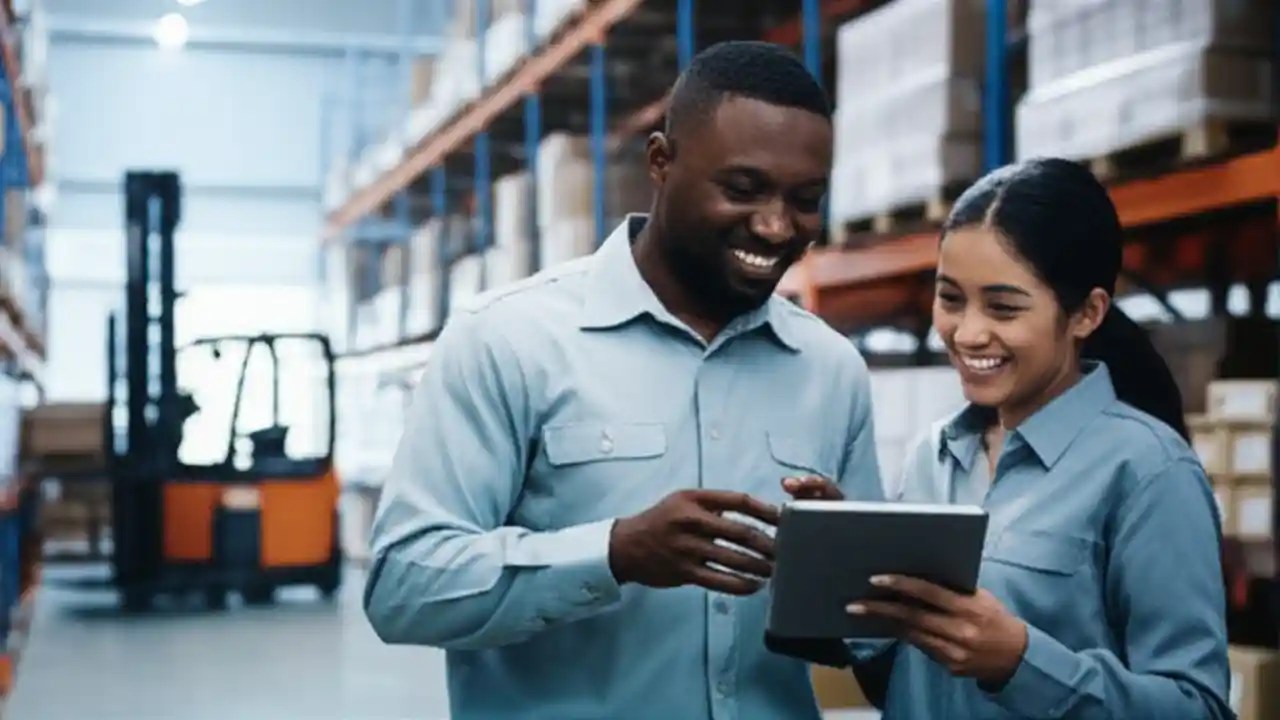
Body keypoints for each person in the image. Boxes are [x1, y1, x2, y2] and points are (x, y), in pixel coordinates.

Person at [362, 41, 885, 720]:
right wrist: (613, 552)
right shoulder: (509, 340)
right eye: (742, 189)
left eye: (806, 199)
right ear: (661, 162)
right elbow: (403, 588)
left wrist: (838, 572)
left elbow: (866, 639)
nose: (776, 225)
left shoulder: (830, 370)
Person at [791, 157, 1234, 718]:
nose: (968, 332)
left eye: (1003, 307)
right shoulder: (934, 456)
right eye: (951, 298)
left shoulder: (1149, 472)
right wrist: (842, 564)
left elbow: (1197, 707)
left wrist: (1020, 661)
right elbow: (901, 677)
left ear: (1085, 314)